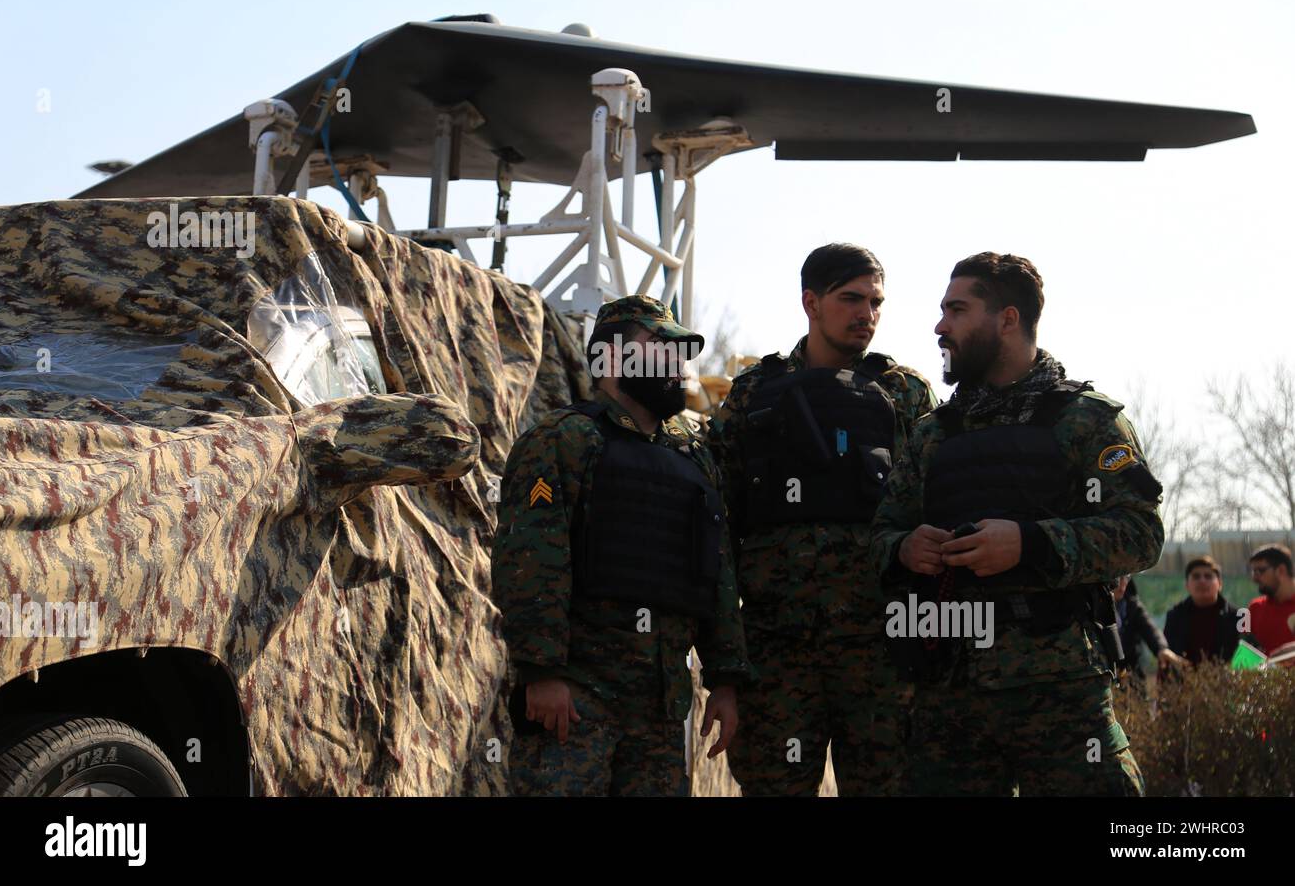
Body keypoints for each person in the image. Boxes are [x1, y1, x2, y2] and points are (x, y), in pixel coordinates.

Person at [869, 251, 1164, 796]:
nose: (940, 326)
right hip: (948, 695)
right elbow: (881, 536)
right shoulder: (934, 434)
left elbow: (1140, 534)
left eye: (956, 310)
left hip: (1061, 691)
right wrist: (905, 548)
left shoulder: (1087, 419)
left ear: (1007, 318)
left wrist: (1028, 543)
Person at [491, 295, 752, 796]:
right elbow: (529, 562)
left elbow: (714, 571)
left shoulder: (693, 458)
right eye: (661, 349)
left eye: (682, 353)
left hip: (659, 708)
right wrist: (542, 670)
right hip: (575, 696)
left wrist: (725, 677)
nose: (678, 364)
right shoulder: (562, 440)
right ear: (612, 358)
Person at [707, 243, 937, 796]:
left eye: (876, 302)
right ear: (811, 302)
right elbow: (716, 530)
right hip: (777, 655)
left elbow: (939, 509)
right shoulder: (753, 396)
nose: (868, 314)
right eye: (851, 298)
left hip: (882, 654)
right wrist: (724, 664)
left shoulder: (904, 394)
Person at [1162, 556, 1242, 664]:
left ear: (1220, 584)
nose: (1202, 581)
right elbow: (1168, 658)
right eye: (1196, 576)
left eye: (1208, 576)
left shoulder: (1239, 617)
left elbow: (1249, 658)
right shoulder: (1175, 616)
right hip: (1185, 679)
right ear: (1187, 585)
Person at [1112, 575, 1182, 681]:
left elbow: (1149, 628)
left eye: (1126, 577)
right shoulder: (1094, 607)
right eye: (1117, 578)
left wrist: (1161, 649)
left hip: (1131, 674)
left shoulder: (1131, 604)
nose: (1122, 584)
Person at [1245, 544, 1295, 655]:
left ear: (1281, 570)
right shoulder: (1255, 608)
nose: (1254, 578)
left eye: (1260, 571)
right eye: (1253, 572)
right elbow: (1243, 651)